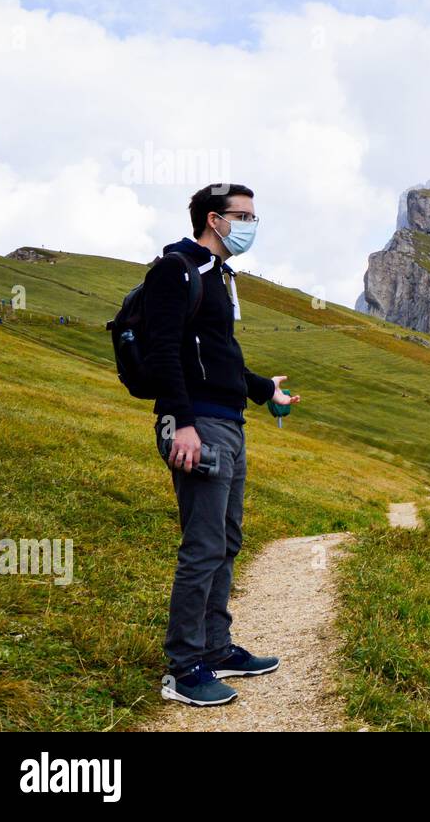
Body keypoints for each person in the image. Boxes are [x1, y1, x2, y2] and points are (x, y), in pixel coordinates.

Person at [143, 183, 300, 707]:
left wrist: (264, 391)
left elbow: (223, 358)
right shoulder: (176, 270)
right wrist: (181, 423)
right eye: (245, 215)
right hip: (198, 425)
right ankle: (183, 668)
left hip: (229, 423)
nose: (253, 224)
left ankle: (215, 646)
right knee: (204, 545)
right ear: (215, 219)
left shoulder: (221, 279)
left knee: (227, 540)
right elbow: (164, 349)